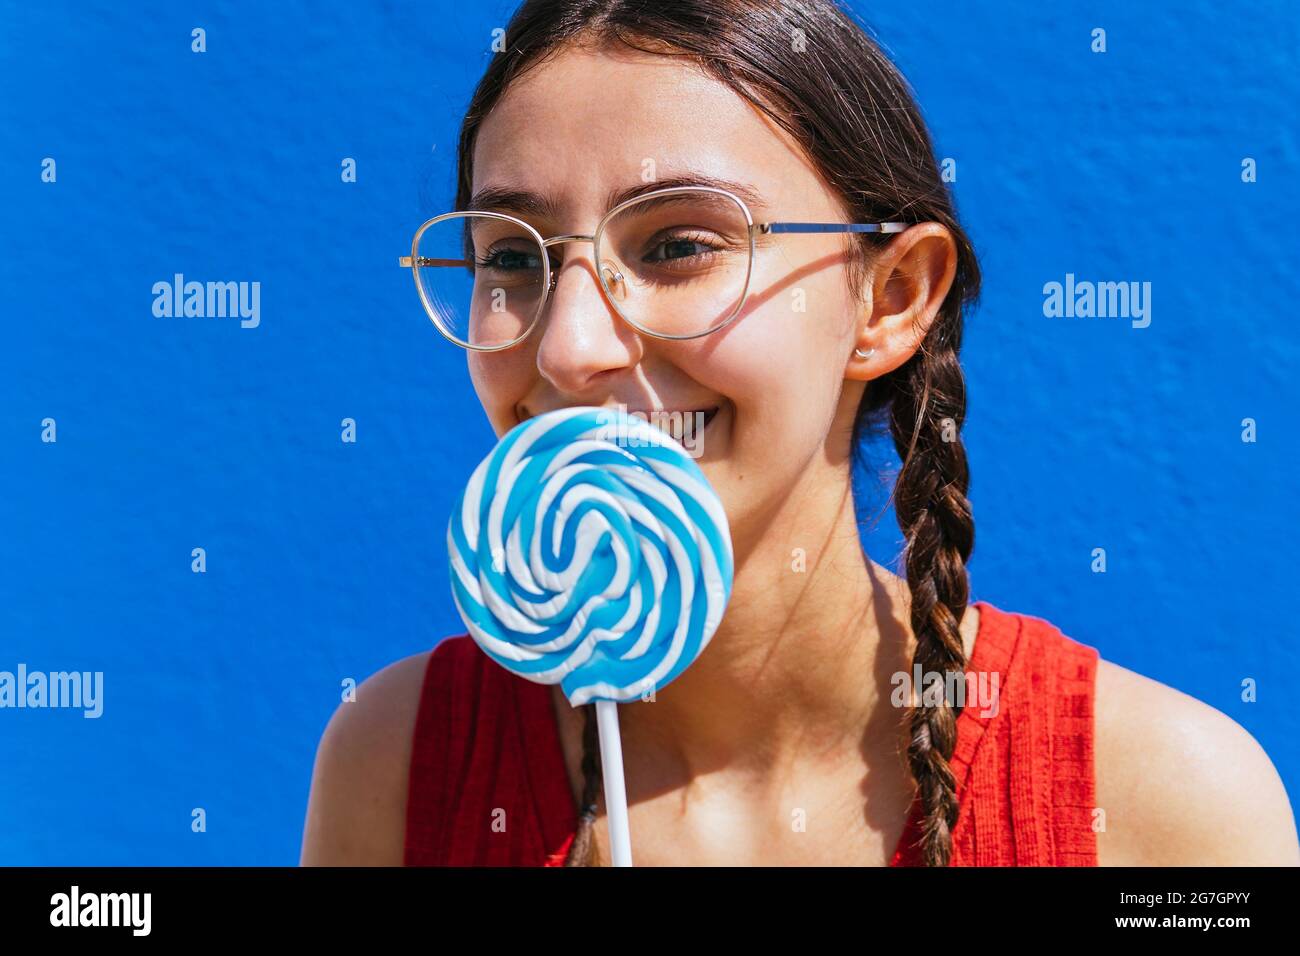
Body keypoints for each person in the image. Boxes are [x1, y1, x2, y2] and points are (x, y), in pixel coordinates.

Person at [300, 0, 1299, 866]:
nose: (568, 347)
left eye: (679, 244)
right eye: (510, 259)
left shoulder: (1162, 802)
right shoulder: (397, 764)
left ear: (890, 297)